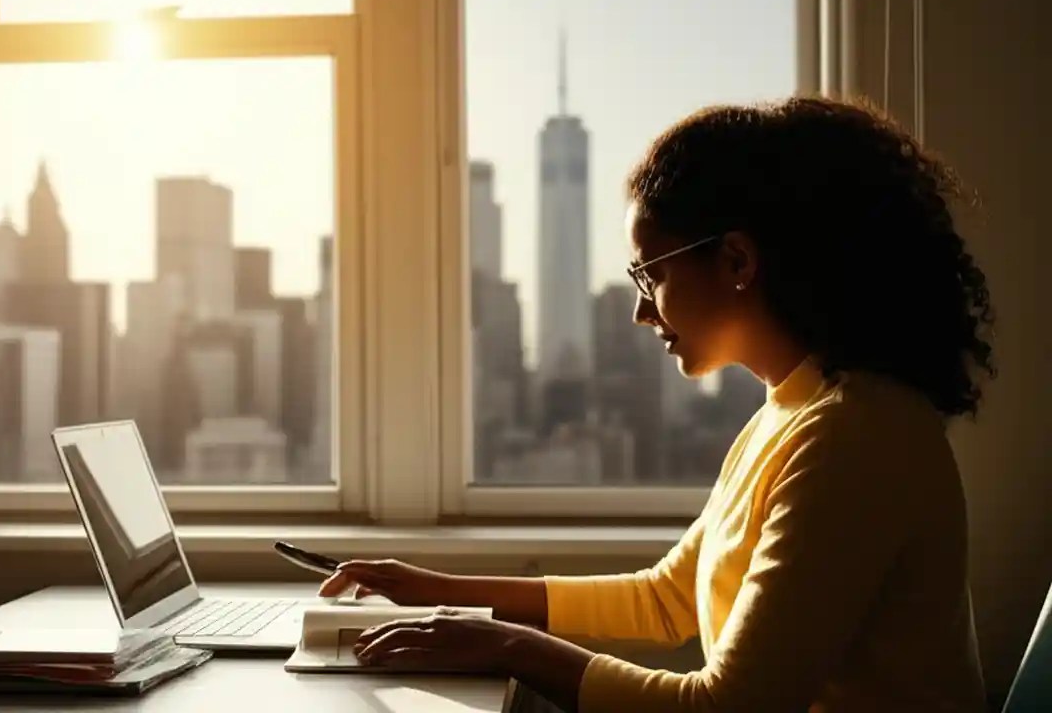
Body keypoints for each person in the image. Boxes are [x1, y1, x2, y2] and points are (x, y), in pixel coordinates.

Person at [319, 97, 994, 712]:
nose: (642, 311)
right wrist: (436, 590)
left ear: (737, 261)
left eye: (652, 274)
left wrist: (508, 647)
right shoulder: (789, 413)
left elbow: (725, 707)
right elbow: (666, 598)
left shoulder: (854, 437)